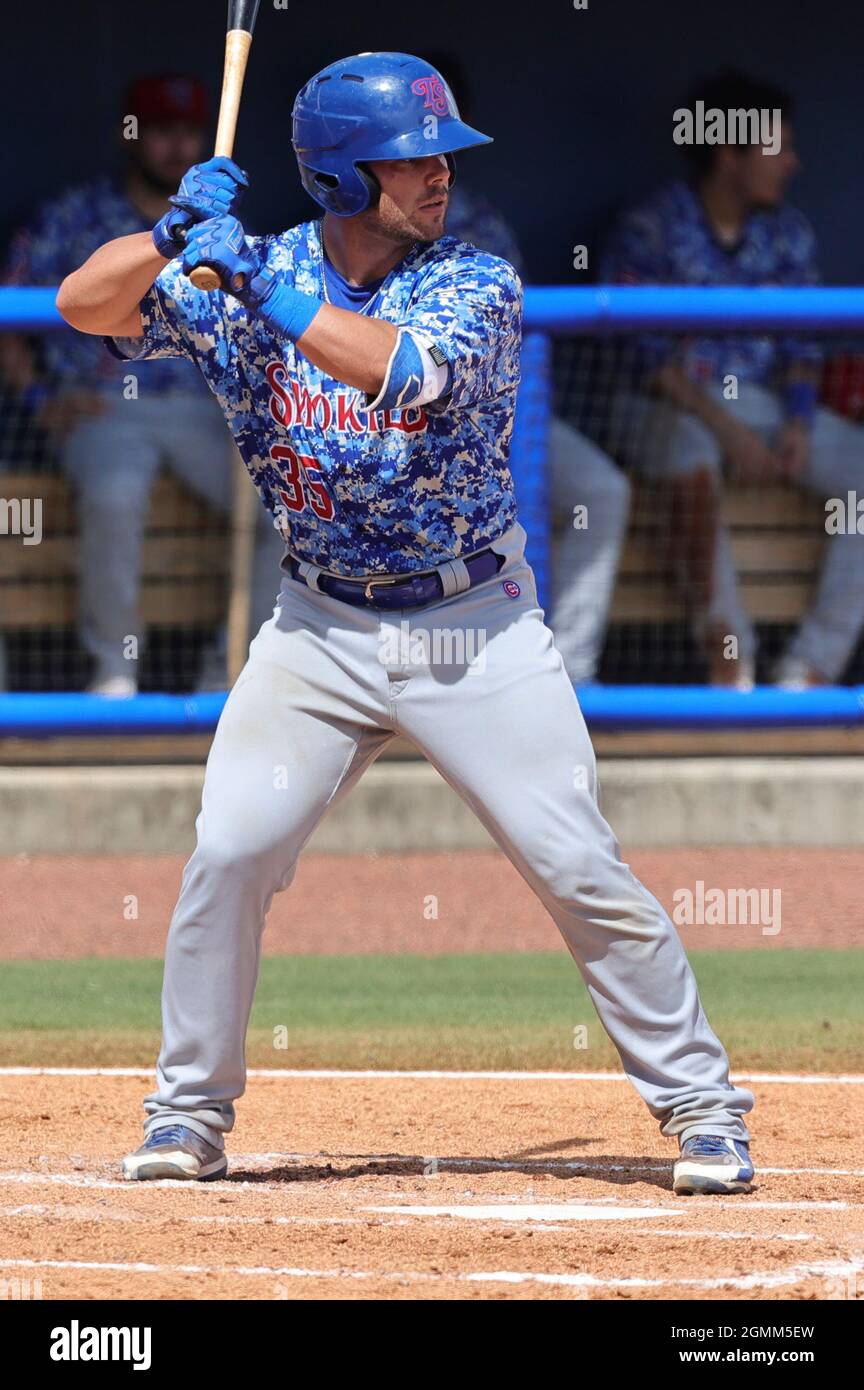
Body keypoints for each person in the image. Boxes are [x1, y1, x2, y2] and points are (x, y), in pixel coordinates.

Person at [58, 51, 754, 1196]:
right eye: (412, 158)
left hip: (472, 623)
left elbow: (401, 372)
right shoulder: (237, 270)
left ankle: (704, 1107)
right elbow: (81, 305)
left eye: (440, 155)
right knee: (228, 853)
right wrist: (170, 241)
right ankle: (187, 1113)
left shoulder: (472, 279)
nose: (440, 176)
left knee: (576, 862)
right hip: (318, 626)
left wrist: (259, 288)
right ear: (341, 176)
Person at [4, 74, 284, 694]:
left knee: (283, 507)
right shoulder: (76, 215)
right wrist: (38, 400)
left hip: (202, 410)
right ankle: (114, 670)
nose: (177, 146)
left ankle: (233, 676)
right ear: (130, 135)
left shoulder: (226, 227)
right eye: (160, 131)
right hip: (103, 408)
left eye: (189, 132)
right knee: (115, 494)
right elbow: (13, 316)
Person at [601, 70, 864, 689]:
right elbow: (645, 360)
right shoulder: (652, 227)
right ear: (730, 151)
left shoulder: (787, 232)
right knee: (691, 455)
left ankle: (811, 672)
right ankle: (732, 661)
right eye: (779, 147)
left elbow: (804, 344)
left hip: (764, 407)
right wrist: (726, 429)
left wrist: (799, 421)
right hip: (663, 406)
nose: (793, 163)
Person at [434, 52, 630, 685]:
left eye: (443, 139)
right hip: (377, 424)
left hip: (489, 417)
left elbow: (509, 340)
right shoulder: (332, 236)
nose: (433, 162)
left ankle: (569, 674)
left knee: (600, 490)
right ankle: (247, 671)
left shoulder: (479, 223)